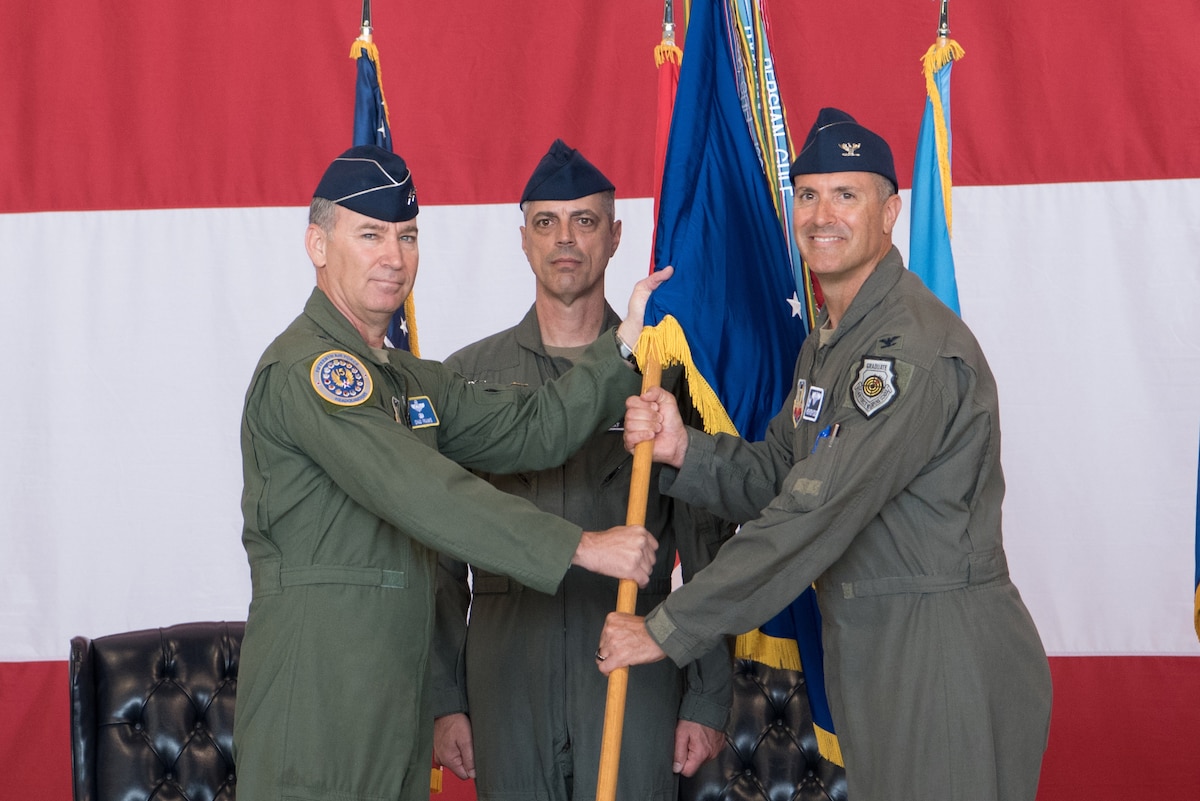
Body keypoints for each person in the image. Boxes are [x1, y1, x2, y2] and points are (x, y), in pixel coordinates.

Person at [597, 108, 1053, 801]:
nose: (822, 214)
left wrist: (667, 628)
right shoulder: (829, 345)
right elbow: (775, 476)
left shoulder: (907, 351)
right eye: (808, 194)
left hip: (941, 653)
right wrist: (683, 448)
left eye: (847, 194)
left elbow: (813, 512)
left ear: (891, 210)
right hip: (878, 650)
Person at [233, 144, 673, 801]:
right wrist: (583, 546)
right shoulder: (312, 371)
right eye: (371, 234)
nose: (393, 256)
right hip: (322, 694)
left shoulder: (405, 379)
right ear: (317, 245)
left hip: (391, 696)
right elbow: (426, 494)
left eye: (407, 236)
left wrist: (620, 347)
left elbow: (532, 427)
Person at [430, 140, 732, 801]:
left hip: (634, 662)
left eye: (585, 220)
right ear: (523, 239)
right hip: (507, 671)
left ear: (616, 234)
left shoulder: (666, 374)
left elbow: (705, 547)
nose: (565, 239)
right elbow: (443, 558)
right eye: (546, 222)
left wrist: (707, 696)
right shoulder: (470, 379)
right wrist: (446, 696)